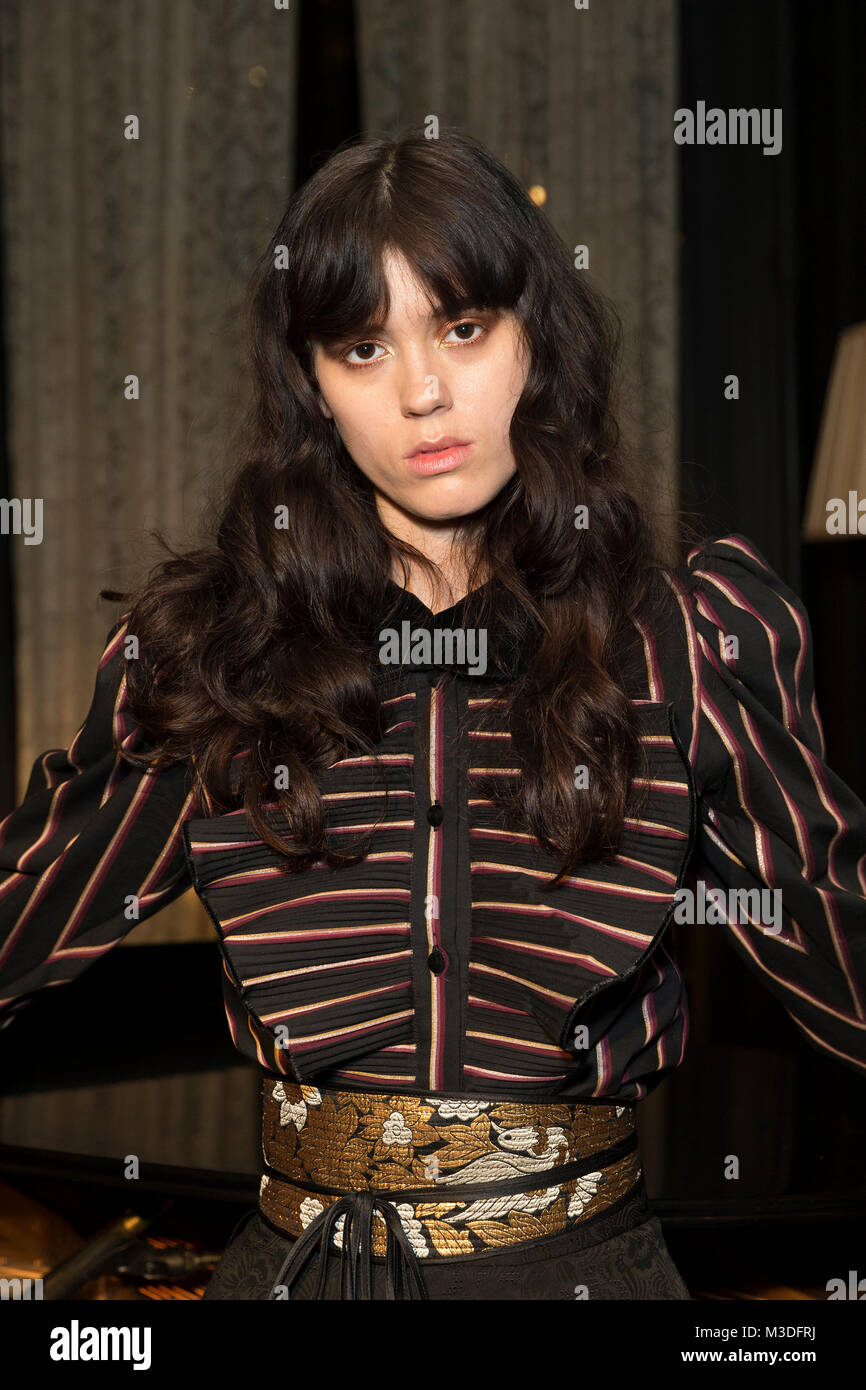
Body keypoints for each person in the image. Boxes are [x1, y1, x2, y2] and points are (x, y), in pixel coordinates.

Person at [1, 128, 864, 1301]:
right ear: (310, 381)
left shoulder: (686, 636)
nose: (421, 393)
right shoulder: (212, 655)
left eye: (462, 328)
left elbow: (839, 951)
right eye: (363, 346)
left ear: (534, 340)